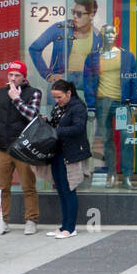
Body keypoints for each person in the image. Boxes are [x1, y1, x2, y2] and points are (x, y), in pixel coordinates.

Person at [0, 61, 41, 235]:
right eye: (10, 74)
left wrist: (16, 99)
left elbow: (32, 115)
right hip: (3, 146)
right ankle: (3, 220)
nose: (13, 78)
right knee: (2, 187)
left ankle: (31, 220)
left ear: (24, 77)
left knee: (28, 186)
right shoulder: (1, 93)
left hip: (23, 148)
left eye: (17, 75)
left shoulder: (34, 93)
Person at [83, 24, 137, 189]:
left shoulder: (126, 56)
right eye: (106, 33)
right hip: (102, 104)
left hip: (120, 105)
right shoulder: (93, 58)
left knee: (125, 138)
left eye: (112, 33)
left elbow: (133, 80)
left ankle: (127, 176)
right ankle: (112, 175)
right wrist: (91, 107)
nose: (109, 36)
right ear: (101, 35)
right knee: (107, 140)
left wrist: (134, 103)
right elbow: (88, 83)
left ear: (116, 34)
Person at [29, 0, 102, 99]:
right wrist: (47, 75)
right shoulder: (61, 28)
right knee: (55, 104)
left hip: (85, 79)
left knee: (91, 107)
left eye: (79, 13)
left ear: (91, 15)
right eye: (73, 12)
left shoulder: (97, 35)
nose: (75, 16)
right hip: (63, 76)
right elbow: (34, 48)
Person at [46, 79, 90, 240]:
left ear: (69, 93)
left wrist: (56, 131)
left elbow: (78, 128)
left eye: (59, 97)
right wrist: (47, 123)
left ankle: (70, 227)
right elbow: (55, 125)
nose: (57, 101)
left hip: (70, 154)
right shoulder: (59, 107)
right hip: (57, 152)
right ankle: (64, 226)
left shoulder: (78, 107)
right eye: (55, 98)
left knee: (69, 190)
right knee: (61, 189)